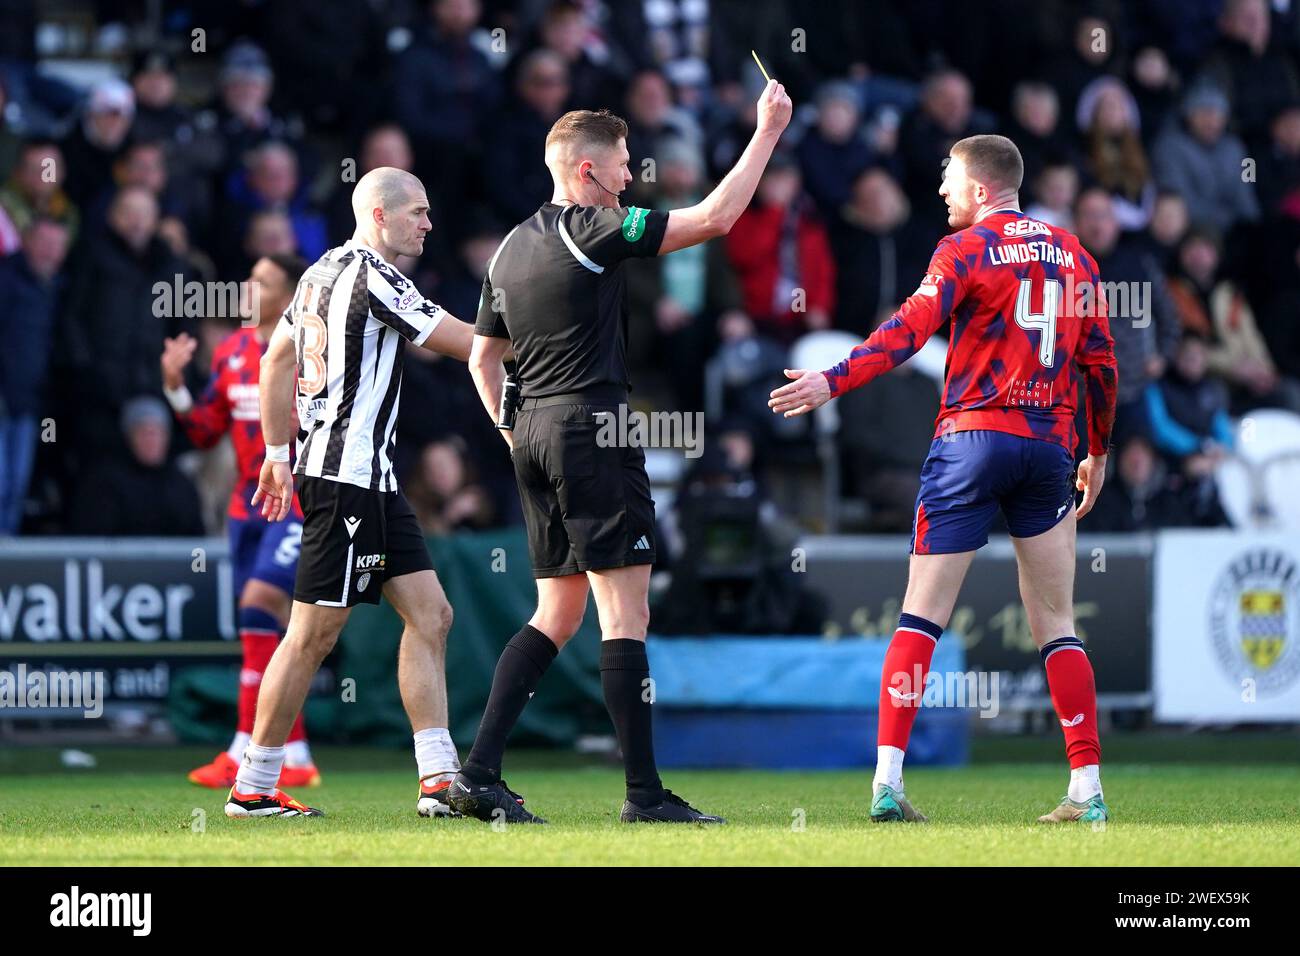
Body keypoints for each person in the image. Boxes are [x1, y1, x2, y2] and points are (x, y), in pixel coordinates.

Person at [459, 78, 792, 825]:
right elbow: (716, 218)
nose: (628, 178)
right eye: (622, 166)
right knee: (625, 617)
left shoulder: (511, 247)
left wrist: (515, 434)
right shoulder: (594, 228)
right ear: (587, 171)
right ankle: (644, 795)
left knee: (556, 615)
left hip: (535, 433)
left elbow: (484, 360)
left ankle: (478, 773)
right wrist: (767, 129)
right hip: (591, 428)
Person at [770, 134, 1118, 825]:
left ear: (982, 189)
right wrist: (1098, 451)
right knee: (1056, 623)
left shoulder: (964, 250)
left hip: (972, 439)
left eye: (949, 179)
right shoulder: (1076, 256)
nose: (941, 191)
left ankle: (888, 783)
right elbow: (1102, 365)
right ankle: (1087, 789)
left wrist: (831, 381)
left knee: (920, 617)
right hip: (1050, 446)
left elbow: (906, 331)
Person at [225, 166, 482, 818]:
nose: (428, 223)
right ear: (380, 215)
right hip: (346, 481)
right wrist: (545, 328)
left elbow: (275, 359)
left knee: (432, 615)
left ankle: (437, 780)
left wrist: (279, 454)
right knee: (311, 634)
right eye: (418, 212)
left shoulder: (316, 274)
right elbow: (463, 343)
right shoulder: (375, 276)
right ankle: (253, 787)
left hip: (371, 479)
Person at [160, 253, 322, 791]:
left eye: (263, 281)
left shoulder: (311, 348)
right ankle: (293, 753)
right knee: (265, 630)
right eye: (249, 277)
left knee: (259, 607)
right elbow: (206, 431)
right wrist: (176, 386)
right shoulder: (231, 352)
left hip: (297, 502)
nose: (249, 288)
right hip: (245, 507)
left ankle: (242, 749)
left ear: (290, 293)